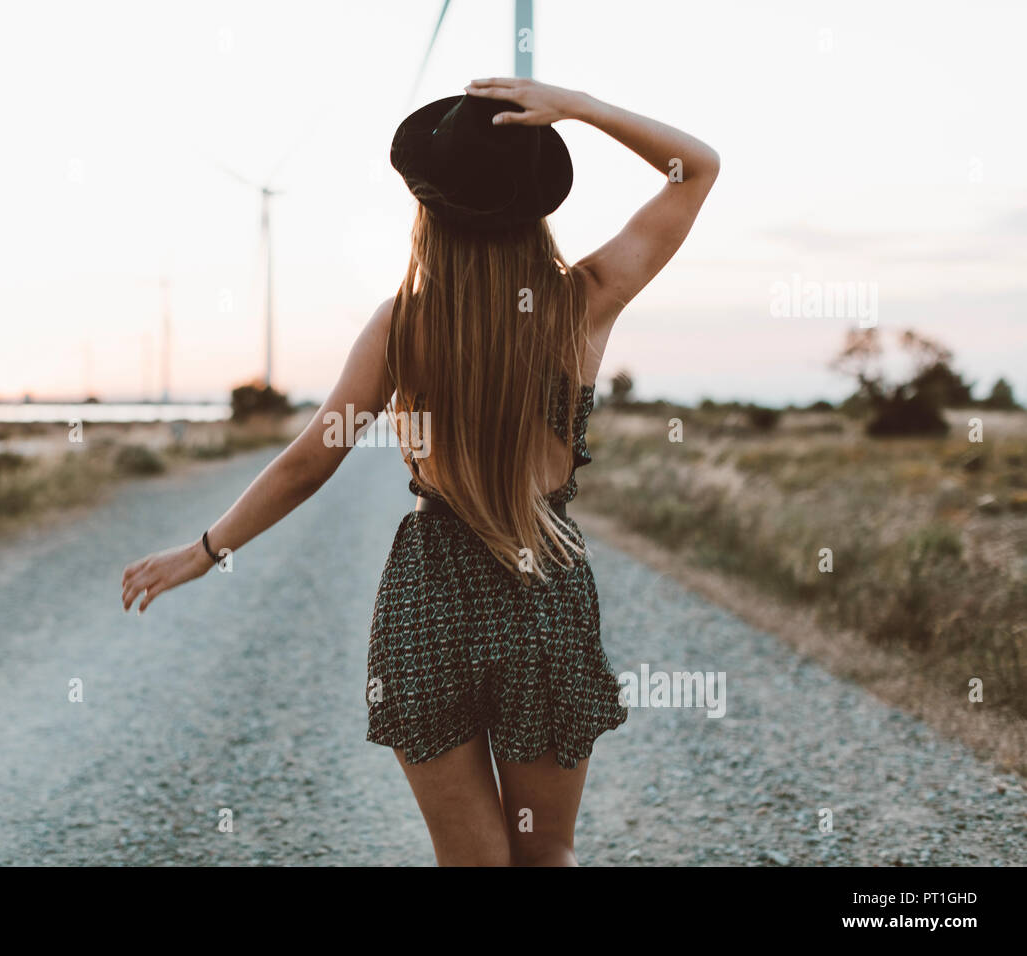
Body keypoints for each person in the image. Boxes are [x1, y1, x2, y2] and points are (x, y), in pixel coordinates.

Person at [122, 77, 719, 866]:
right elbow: (696, 168)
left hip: (429, 595)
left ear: (429, 211)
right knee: (547, 856)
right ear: (536, 206)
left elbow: (310, 462)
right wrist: (577, 107)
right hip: (546, 591)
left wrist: (203, 550)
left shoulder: (402, 324)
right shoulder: (586, 301)